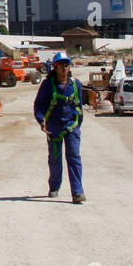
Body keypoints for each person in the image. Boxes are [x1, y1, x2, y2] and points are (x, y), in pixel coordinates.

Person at [33, 51, 86, 204]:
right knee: (55, 159)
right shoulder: (47, 85)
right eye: (60, 65)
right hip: (54, 127)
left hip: (71, 126)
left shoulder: (75, 84)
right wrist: (41, 120)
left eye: (66, 65)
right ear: (54, 67)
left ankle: (77, 192)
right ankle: (54, 187)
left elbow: (79, 106)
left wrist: (77, 125)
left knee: (74, 157)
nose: (64, 68)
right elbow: (39, 105)